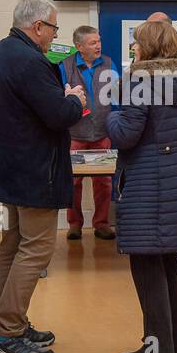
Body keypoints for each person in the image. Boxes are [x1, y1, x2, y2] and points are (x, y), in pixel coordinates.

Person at [0, 0, 87, 353]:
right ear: (37, 27)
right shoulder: (30, 61)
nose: (53, 36)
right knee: (37, 248)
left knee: (13, 245)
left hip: (9, 169)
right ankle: (8, 333)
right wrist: (74, 98)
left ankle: (12, 322)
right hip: (33, 171)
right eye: (53, 28)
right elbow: (57, 114)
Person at [106, 21, 177, 353]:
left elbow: (126, 134)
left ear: (149, 46)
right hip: (174, 176)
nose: (133, 48)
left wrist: (109, 117)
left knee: (146, 264)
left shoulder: (141, 82)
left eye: (136, 43)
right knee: (168, 263)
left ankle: (157, 349)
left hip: (148, 182)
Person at [59, 25, 118, 241]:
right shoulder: (65, 66)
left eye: (99, 41)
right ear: (79, 47)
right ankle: (74, 224)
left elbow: (117, 95)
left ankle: (101, 224)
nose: (98, 45)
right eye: (93, 42)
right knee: (72, 182)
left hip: (102, 133)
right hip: (74, 134)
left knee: (103, 182)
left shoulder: (109, 64)